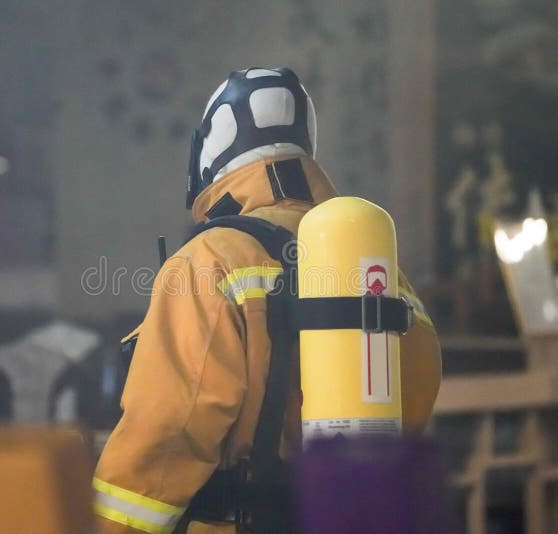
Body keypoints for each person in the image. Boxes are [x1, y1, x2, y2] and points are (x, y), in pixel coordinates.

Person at [93, 67, 441, 534]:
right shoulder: (379, 267)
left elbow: (167, 432)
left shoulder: (209, 260)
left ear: (209, 157)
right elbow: (417, 388)